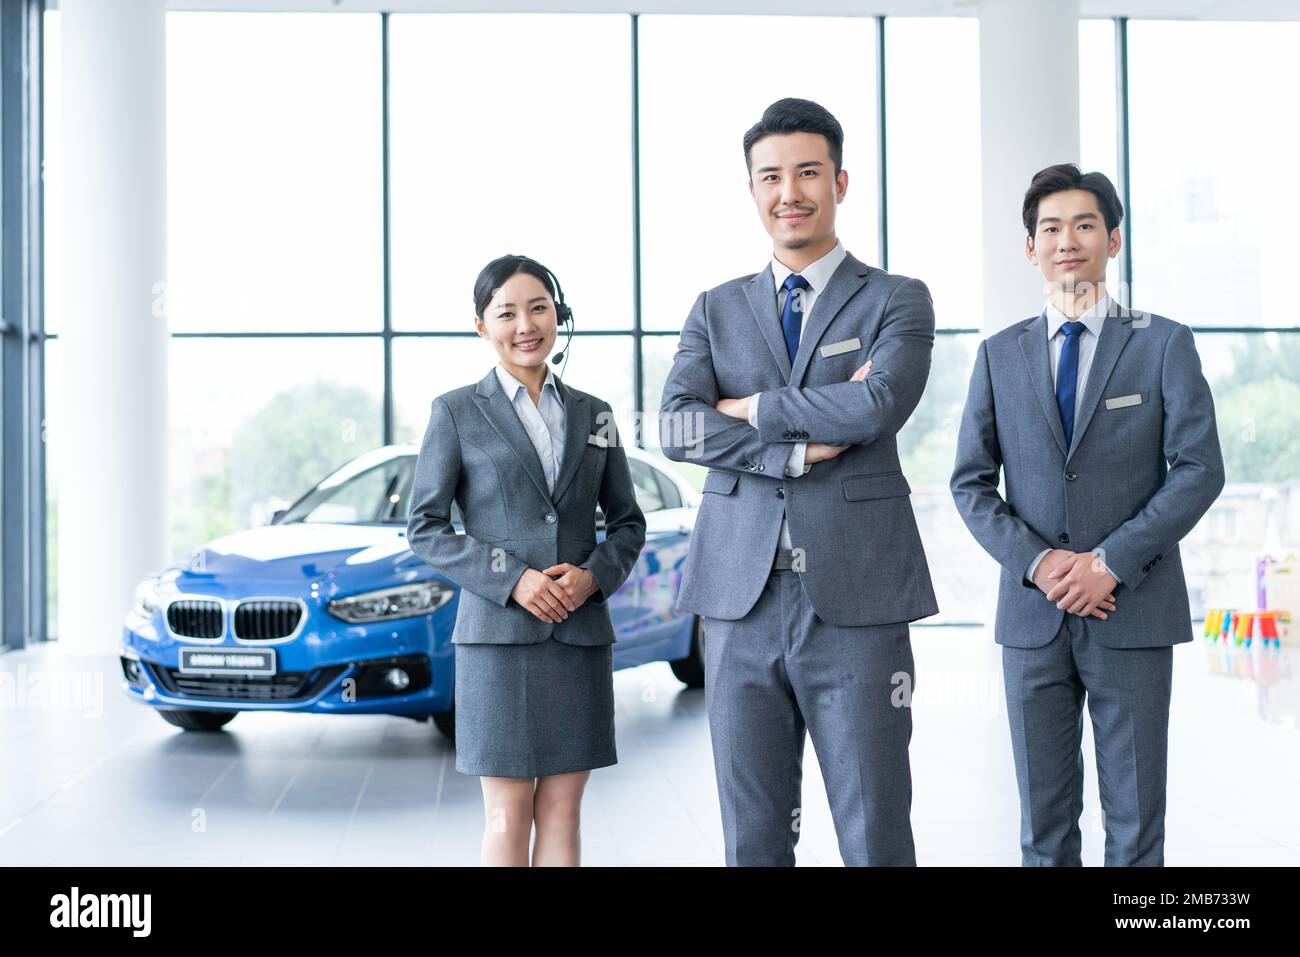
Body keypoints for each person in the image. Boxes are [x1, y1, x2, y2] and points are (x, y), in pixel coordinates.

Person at [658, 97, 938, 866]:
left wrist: (750, 408)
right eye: (771, 176)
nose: (791, 192)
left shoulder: (897, 298)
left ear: (840, 183)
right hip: (738, 600)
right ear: (752, 190)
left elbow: (878, 402)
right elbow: (675, 425)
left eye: (808, 172)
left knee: (874, 823)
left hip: (859, 595)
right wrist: (787, 448)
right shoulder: (714, 309)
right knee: (753, 833)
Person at [949, 164, 1225, 865]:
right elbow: (971, 483)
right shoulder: (997, 355)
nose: (1066, 239)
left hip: (1131, 610)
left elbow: (1198, 469)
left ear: (1114, 239)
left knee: (1135, 822)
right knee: (1043, 826)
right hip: (1033, 620)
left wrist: (1110, 563)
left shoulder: (1162, 342)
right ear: (1030, 247)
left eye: (1083, 224)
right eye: (1049, 227)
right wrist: (1041, 564)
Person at [406, 254, 646, 866]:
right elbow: (426, 528)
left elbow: (627, 523)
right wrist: (512, 580)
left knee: (564, 812)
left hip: (579, 636)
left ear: (558, 315)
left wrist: (594, 576)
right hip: (497, 643)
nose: (525, 324)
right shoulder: (456, 412)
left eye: (538, 307)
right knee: (508, 815)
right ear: (481, 325)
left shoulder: (596, 414)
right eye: (506, 312)